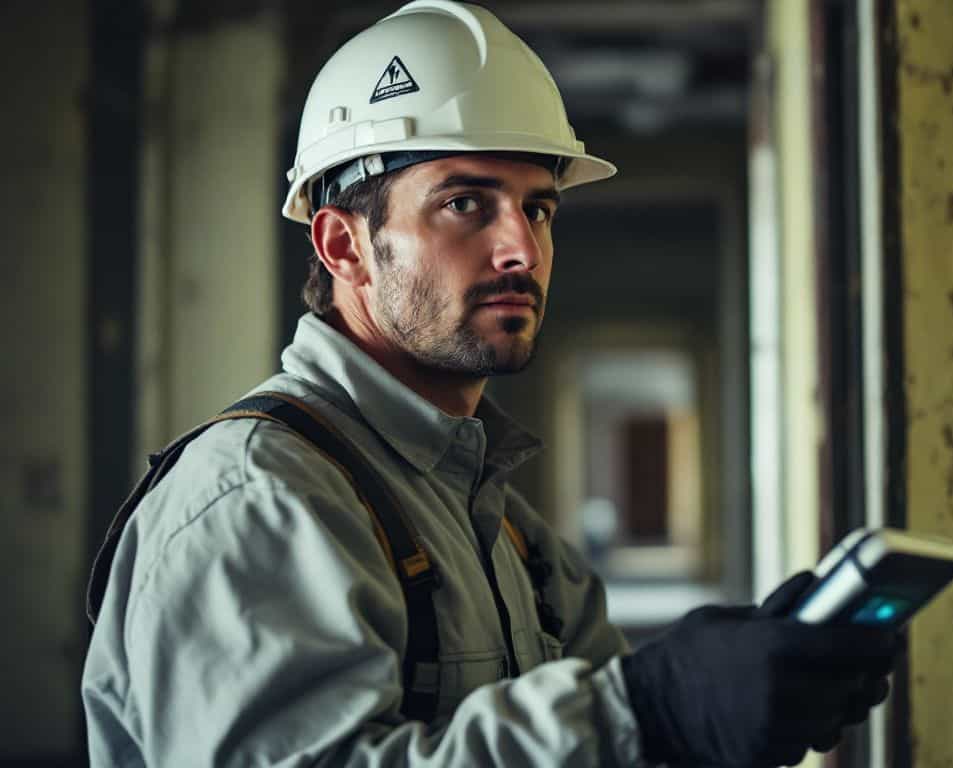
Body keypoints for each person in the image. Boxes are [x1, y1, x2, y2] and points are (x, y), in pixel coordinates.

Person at [81, 2, 899, 766]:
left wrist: (737, 684)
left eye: (538, 209)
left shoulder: (500, 524)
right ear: (344, 246)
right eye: (466, 203)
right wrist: (647, 711)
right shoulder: (256, 499)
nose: (522, 250)